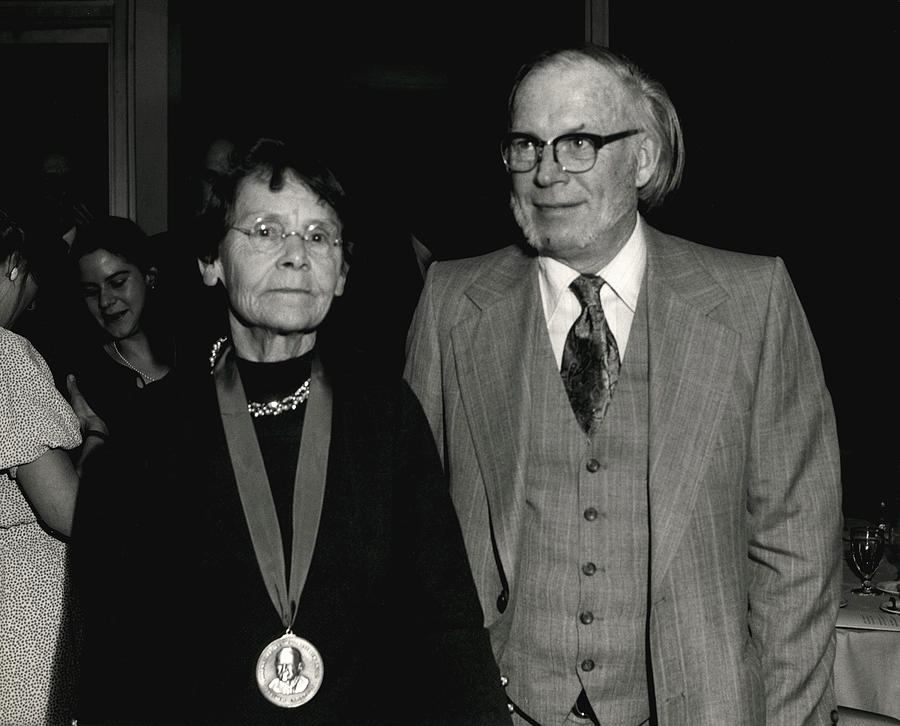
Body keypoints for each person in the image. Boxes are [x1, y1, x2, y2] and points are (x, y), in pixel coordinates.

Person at [404, 44, 842, 726]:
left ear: (641, 158)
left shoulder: (752, 300)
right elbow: (407, 539)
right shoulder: (451, 303)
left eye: (578, 142)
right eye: (527, 144)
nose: (547, 171)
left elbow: (799, 555)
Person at [73, 137, 512, 726]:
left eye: (318, 235)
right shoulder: (148, 438)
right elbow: (116, 659)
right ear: (210, 262)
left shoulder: (386, 415)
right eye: (264, 230)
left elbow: (447, 626)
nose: (296, 255)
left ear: (342, 274)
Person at [0, 207, 106, 726]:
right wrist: (93, 433)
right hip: (21, 622)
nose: (35, 300)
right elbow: (70, 512)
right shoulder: (6, 356)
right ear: (15, 266)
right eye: (36, 280)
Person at [68, 215, 176, 436]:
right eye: (91, 292)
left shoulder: (195, 348)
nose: (105, 301)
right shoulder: (89, 379)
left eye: (117, 283)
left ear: (150, 277)